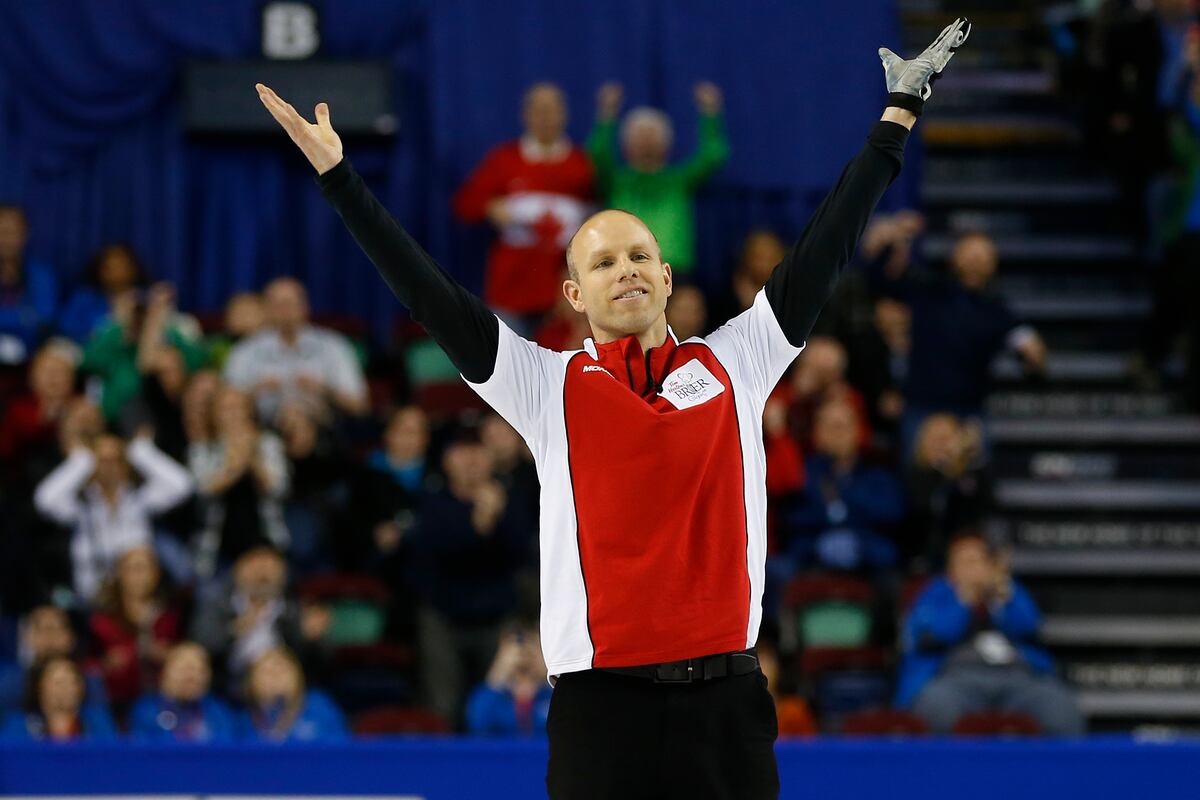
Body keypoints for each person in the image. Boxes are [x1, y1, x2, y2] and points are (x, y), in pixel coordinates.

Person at [255, 18, 968, 795]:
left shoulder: (739, 358)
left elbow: (829, 242)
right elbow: (429, 294)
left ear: (665, 277)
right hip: (602, 708)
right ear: (573, 293)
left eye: (638, 257)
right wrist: (340, 180)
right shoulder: (544, 385)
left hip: (725, 700)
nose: (624, 270)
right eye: (602, 262)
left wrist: (897, 114)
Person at [873, 230, 1047, 455]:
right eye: (970, 254)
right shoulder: (927, 289)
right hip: (920, 407)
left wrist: (1035, 357)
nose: (975, 261)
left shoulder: (998, 312)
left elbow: (1031, 358)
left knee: (974, 479)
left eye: (983, 256)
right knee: (919, 478)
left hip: (968, 412)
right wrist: (886, 246)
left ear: (993, 265)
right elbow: (878, 283)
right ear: (955, 256)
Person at [896, 531, 1085, 735]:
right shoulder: (935, 593)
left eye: (980, 560)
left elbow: (1029, 627)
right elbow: (932, 637)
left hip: (1018, 677)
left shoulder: (1009, 591)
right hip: (953, 679)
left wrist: (1002, 595)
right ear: (951, 570)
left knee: (1059, 708)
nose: (975, 568)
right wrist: (965, 601)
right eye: (967, 562)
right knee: (937, 707)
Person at [407, 431, 532, 726]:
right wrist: (480, 523)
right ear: (446, 461)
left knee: (498, 700)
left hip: (497, 616)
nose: (471, 461)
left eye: (478, 452)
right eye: (462, 453)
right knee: (443, 705)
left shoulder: (511, 499)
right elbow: (435, 553)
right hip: (444, 617)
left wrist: (495, 518)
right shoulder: (432, 500)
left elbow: (521, 553)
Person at [454, 83, 595, 329]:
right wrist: (489, 207)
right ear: (526, 115)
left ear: (564, 115)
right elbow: (465, 204)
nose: (546, 118)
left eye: (551, 110)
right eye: (539, 111)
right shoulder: (504, 160)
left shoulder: (581, 165)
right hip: (511, 287)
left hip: (562, 292)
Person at [33, 429, 193, 603]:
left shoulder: (139, 500)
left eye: (116, 460)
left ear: (125, 465)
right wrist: (80, 461)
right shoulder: (81, 505)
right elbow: (44, 500)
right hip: (92, 603)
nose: (109, 468)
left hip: (136, 599)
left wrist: (142, 453)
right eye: (102, 461)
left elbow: (183, 486)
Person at [587, 81, 729, 276]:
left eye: (652, 135)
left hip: (673, 269)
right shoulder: (617, 181)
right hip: (626, 269)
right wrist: (607, 115)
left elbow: (713, 155)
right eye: (640, 136)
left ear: (667, 145)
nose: (646, 142)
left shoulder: (678, 180)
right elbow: (598, 154)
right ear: (626, 144)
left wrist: (710, 113)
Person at [224, 277, 368, 426]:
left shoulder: (334, 347)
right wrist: (255, 391)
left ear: (305, 306)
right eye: (278, 305)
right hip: (261, 432)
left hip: (325, 433)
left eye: (289, 303)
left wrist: (325, 390)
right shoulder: (245, 351)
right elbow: (225, 406)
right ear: (266, 309)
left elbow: (360, 406)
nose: (285, 311)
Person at [783, 398, 905, 573]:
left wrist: (847, 507)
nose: (837, 435)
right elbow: (793, 517)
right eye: (830, 427)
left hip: (868, 555)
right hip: (812, 554)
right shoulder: (802, 472)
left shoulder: (877, 473)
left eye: (843, 427)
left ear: (857, 431)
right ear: (817, 433)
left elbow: (892, 512)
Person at [190, 545, 326, 696]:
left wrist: (312, 640)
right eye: (255, 565)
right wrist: (234, 630)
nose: (263, 572)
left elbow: (320, 662)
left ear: (283, 573)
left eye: (270, 566)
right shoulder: (216, 604)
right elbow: (201, 647)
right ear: (237, 569)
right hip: (226, 693)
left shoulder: (294, 609)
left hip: (283, 692)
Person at [189, 384, 290, 574]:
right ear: (214, 414)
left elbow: (278, 488)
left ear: (249, 412)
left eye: (238, 407)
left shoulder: (268, 444)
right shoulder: (203, 449)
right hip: (217, 544)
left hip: (264, 538)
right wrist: (233, 464)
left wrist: (252, 458)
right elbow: (203, 492)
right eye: (226, 409)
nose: (233, 415)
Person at [80, 281, 207, 429]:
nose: (140, 318)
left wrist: (158, 319)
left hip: (168, 419)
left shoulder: (169, 339)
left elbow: (198, 360)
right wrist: (119, 323)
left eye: (144, 312)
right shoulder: (116, 345)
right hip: (117, 423)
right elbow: (88, 361)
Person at [87, 546, 182, 715]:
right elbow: (86, 666)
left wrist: (171, 656)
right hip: (113, 703)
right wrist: (106, 665)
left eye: (145, 568)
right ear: (119, 574)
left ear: (156, 574)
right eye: (133, 569)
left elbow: (186, 653)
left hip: (160, 703)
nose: (139, 576)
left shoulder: (170, 617)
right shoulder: (101, 620)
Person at [129, 641, 237, 742]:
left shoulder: (219, 712)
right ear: (164, 674)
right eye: (183, 669)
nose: (190, 676)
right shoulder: (145, 711)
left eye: (198, 670)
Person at [238, 646, 347, 742]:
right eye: (268, 671)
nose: (276, 676)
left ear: (298, 675)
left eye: (283, 670)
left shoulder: (319, 706)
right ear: (251, 681)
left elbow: (341, 749)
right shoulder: (241, 719)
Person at [1, 655, 117, 742]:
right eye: (58, 682)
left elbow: (110, 758)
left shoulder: (98, 722)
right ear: (39, 687)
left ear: (81, 688)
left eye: (72, 682)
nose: (65, 688)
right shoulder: (17, 724)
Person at [466, 623, 553, 737]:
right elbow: (477, 728)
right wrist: (498, 673)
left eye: (534, 646)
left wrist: (550, 670)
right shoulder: (488, 696)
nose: (524, 656)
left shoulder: (555, 695)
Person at [59, 243, 150, 343]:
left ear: (133, 269)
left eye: (121, 266)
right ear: (99, 270)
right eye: (110, 267)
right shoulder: (84, 298)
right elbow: (66, 331)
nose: (116, 273)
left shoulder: (146, 300)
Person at [0, 204, 56, 362]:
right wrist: (23, 317)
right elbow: (31, 318)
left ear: (25, 234)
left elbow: (45, 317)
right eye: (2, 232)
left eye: (13, 233)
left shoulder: (41, 274)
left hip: (31, 355)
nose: (6, 239)